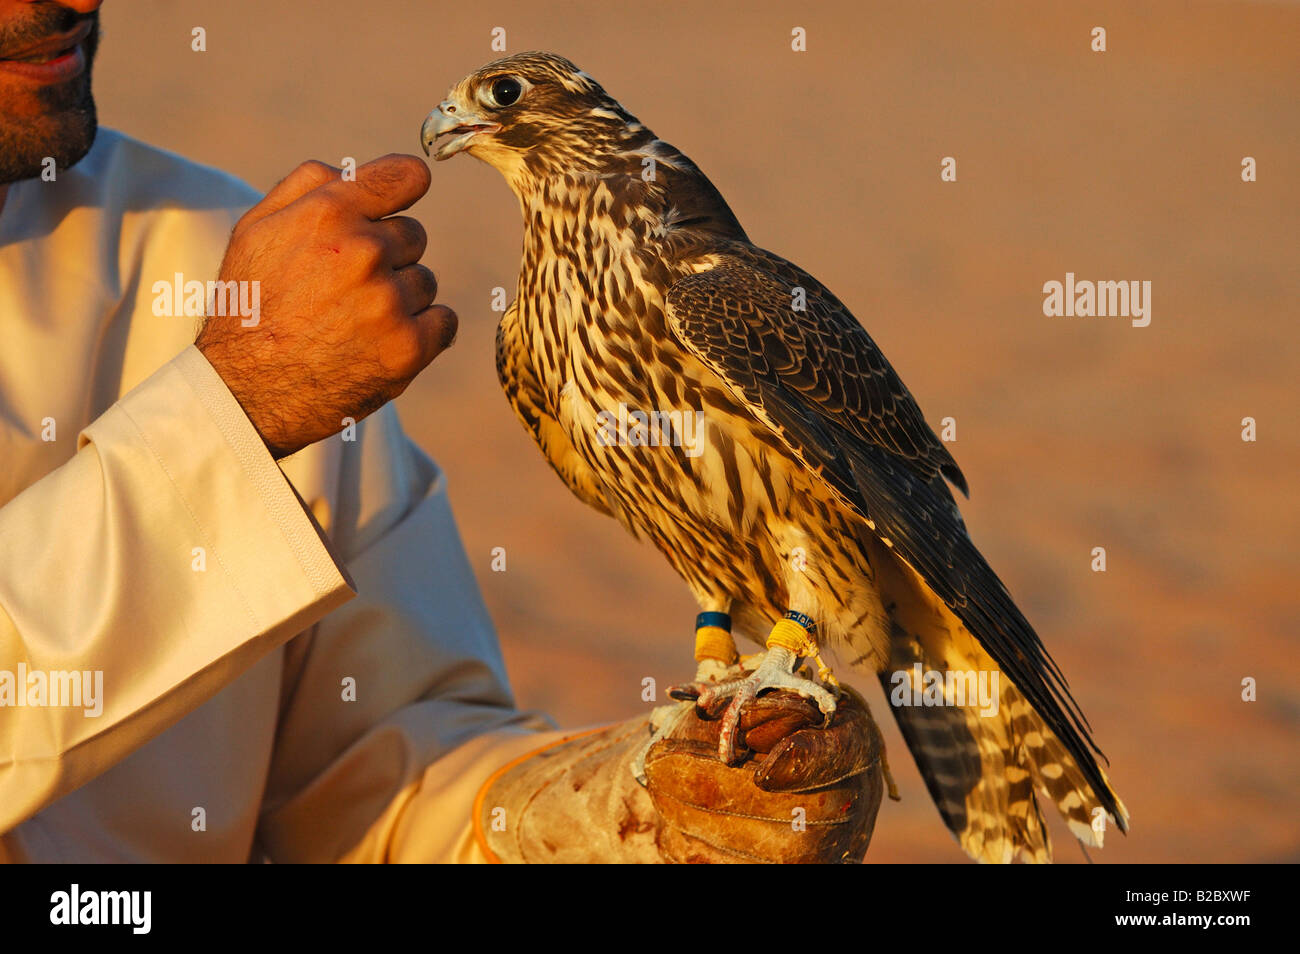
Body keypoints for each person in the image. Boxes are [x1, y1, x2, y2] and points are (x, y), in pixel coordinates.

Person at [0, 0, 883, 863]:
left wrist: (635, 815)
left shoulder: (229, 259)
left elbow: (387, 775)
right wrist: (229, 414)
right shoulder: (257, 339)